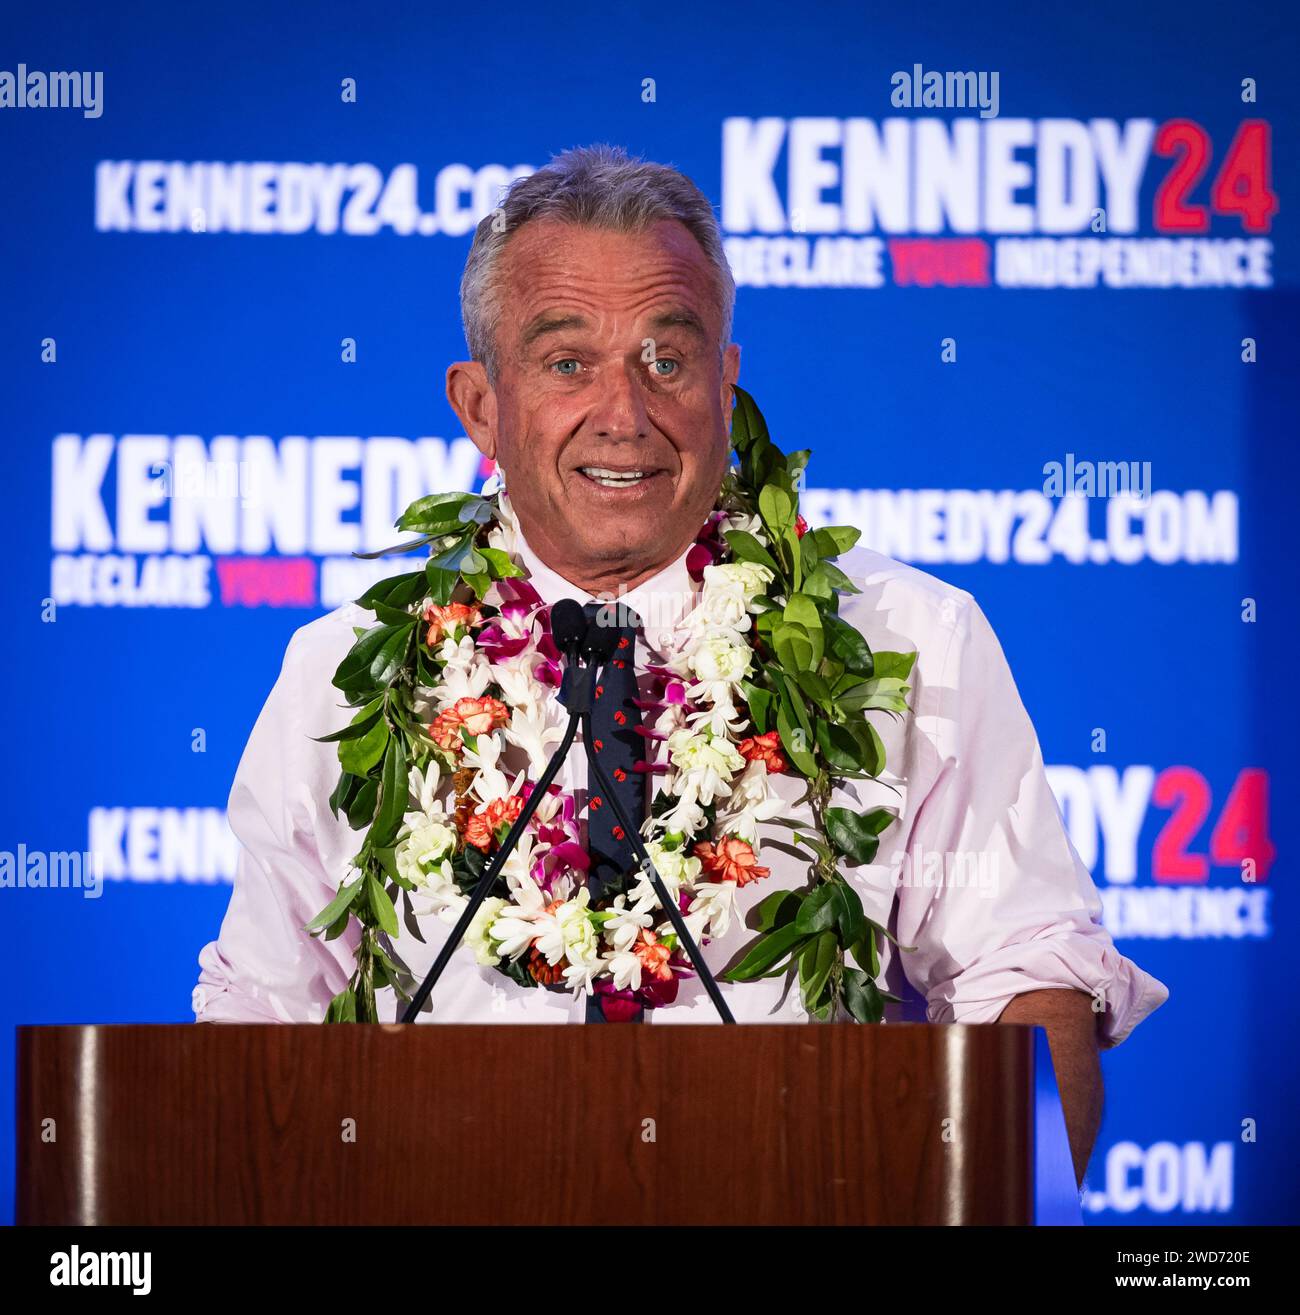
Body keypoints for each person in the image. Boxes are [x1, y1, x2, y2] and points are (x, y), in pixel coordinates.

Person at [194, 143, 1167, 1185]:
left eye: (668, 356)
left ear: (724, 379)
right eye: (566, 362)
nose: (626, 411)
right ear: (479, 406)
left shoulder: (908, 642)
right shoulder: (350, 674)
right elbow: (265, 1019)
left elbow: (1026, 980)